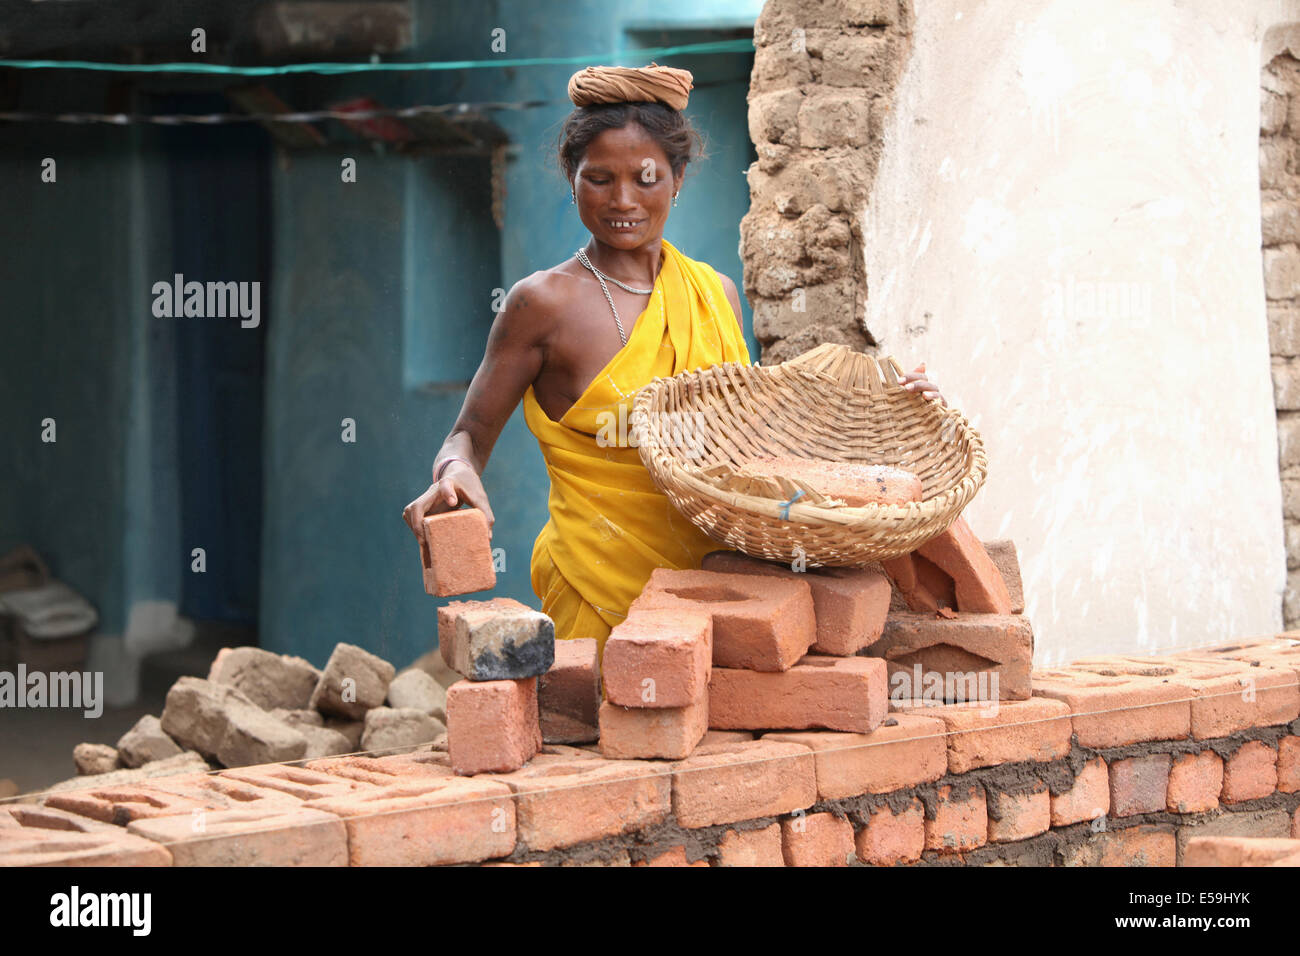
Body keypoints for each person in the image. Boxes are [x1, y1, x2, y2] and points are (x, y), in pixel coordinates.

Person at [402, 64, 945, 659]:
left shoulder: (715, 294)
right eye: (599, 179)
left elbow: (757, 446)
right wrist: (456, 473)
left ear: (679, 176)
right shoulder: (541, 304)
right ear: (572, 178)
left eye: (646, 178)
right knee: (606, 736)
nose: (623, 201)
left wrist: (882, 407)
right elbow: (466, 438)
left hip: (719, 588)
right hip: (597, 580)